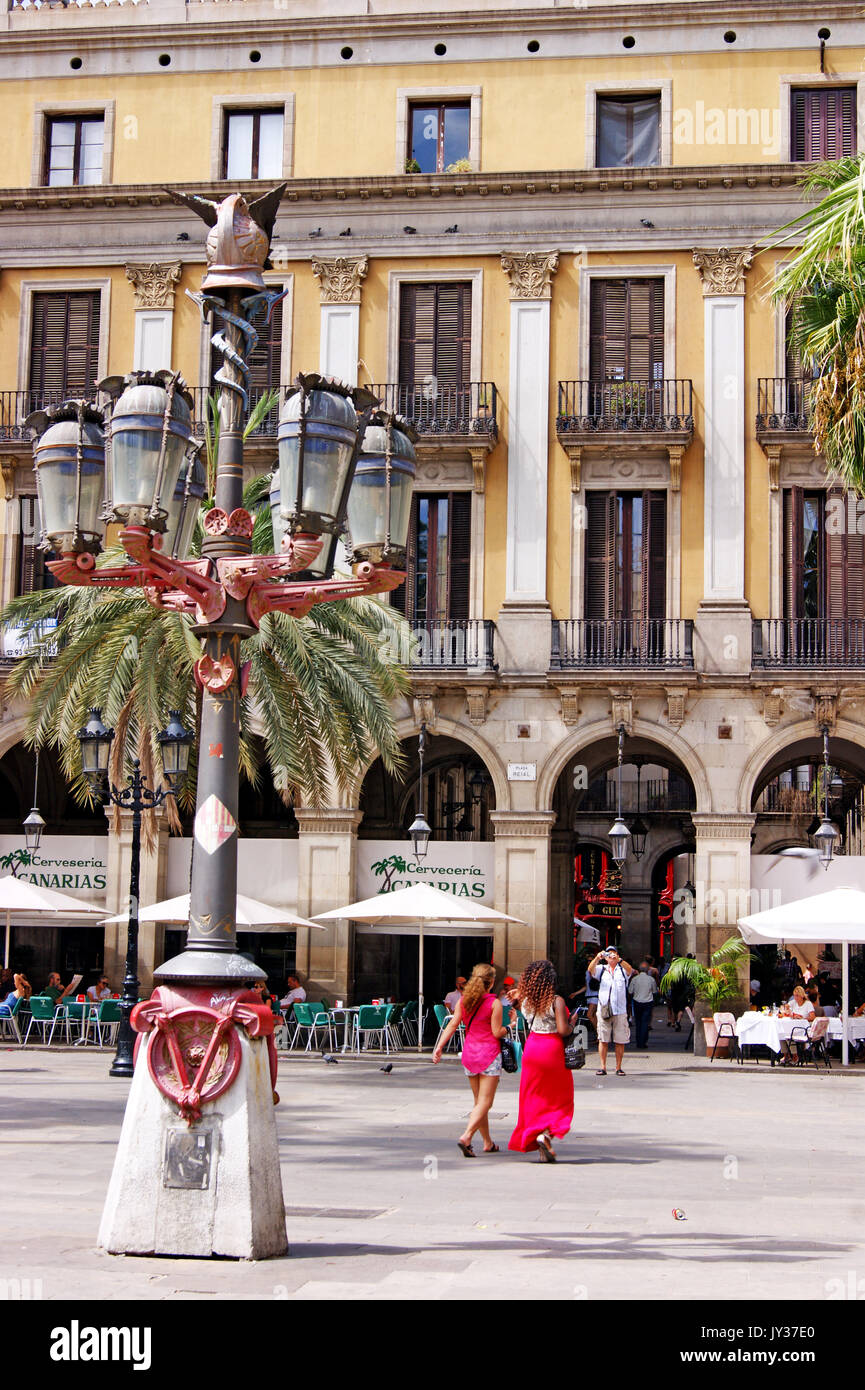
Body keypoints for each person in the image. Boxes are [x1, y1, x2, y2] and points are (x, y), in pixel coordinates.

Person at [432, 962, 506, 1157]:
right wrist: (511, 1025)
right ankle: (467, 1136)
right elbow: (497, 1032)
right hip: (489, 1055)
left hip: (470, 1055)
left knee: (478, 1103)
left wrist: (439, 1046)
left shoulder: (464, 1002)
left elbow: (452, 1024)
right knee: (486, 1103)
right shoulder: (494, 1003)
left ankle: (488, 1142)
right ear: (491, 983)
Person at [508, 959, 574, 1163]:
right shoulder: (557, 1001)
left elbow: (522, 1014)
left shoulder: (526, 1002)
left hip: (532, 1048)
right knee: (558, 1096)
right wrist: (572, 1024)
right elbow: (562, 1030)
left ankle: (539, 1140)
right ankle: (545, 1134)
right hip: (552, 1049)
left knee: (534, 1095)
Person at [590, 946, 634, 1075]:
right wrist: (597, 958)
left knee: (620, 1040)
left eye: (614, 953)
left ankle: (618, 1067)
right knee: (603, 1038)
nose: (612, 956)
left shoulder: (622, 969)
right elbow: (590, 970)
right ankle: (603, 1066)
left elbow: (630, 970)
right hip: (604, 1008)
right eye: (609, 954)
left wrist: (620, 960)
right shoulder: (602, 970)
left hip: (619, 1010)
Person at [628, 960, 655, 1050]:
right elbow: (654, 991)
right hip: (648, 1002)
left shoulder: (634, 979)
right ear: (647, 970)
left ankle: (639, 1041)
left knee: (638, 1022)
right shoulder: (651, 979)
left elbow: (630, 991)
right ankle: (643, 1042)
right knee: (645, 1022)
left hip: (637, 1001)